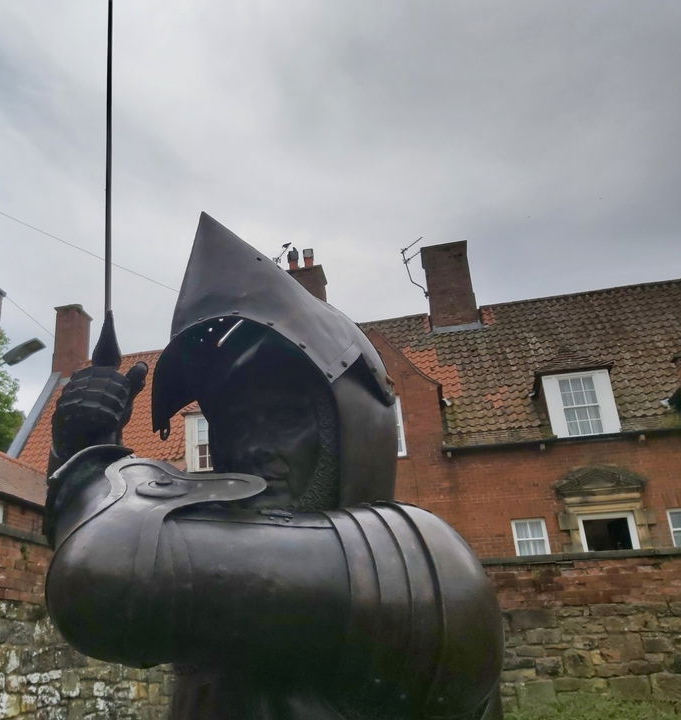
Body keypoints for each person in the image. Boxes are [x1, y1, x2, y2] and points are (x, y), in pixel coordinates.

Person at [43, 213, 503, 719]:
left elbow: (100, 574)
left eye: (283, 416)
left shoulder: (425, 565)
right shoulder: (216, 557)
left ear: (351, 426)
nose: (250, 445)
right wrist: (78, 449)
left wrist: (90, 455)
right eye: (231, 422)